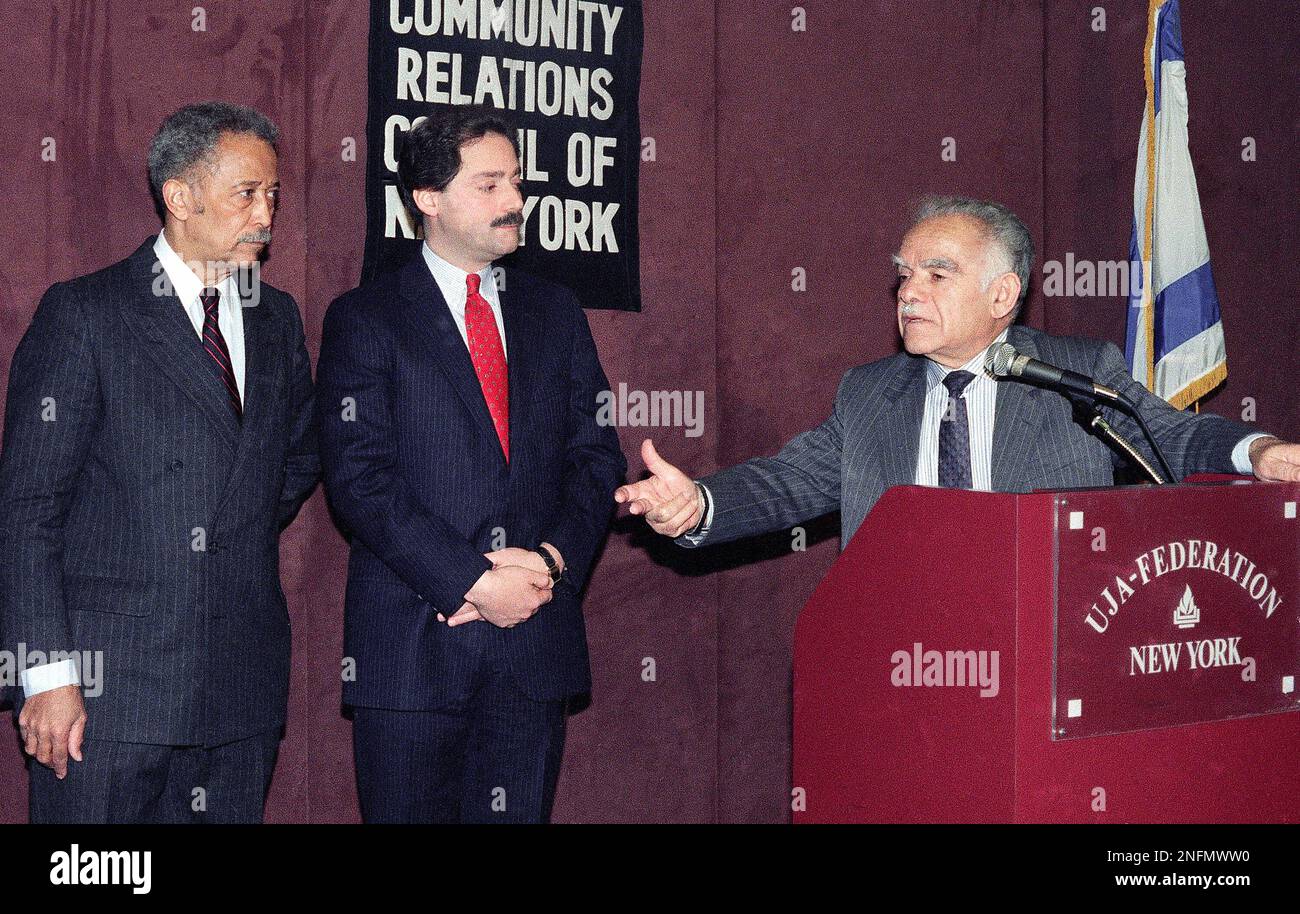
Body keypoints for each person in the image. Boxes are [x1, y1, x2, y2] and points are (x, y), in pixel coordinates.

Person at [616, 195, 1299, 547]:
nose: (909, 293)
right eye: (905, 275)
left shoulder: (1073, 374)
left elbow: (1170, 438)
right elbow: (790, 483)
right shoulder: (869, 394)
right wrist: (699, 504)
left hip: (1043, 655)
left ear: (1002, 296)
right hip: (896, 662)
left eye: (937, 275)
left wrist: (1258, 452)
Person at [0, 102, 319, 822]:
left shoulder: (279, 319)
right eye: (247, 194)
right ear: (180, 197)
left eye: (273, 194)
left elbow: (294, 460)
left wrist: (216, 531)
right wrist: (44, 674)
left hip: (240, 691)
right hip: (104, 698)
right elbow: (26, 511)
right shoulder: (86, 314)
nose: (265, 213)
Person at [316, 105, 626, 824]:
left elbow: (595, 457)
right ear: (427, 198)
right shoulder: (365, 318)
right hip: (412, 656)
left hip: (533, 648)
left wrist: (548, 564)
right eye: (489, 185)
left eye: (516, 181)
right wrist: (474, 581)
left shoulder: (555, 311)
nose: (515, 201)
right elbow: (360, 481)